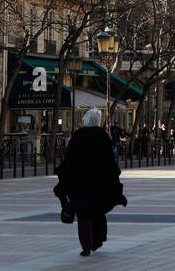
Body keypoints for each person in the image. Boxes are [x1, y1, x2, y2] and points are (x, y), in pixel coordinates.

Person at [54, 108, 127, 257]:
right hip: (97, 184)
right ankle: (96, 241)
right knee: (97, 212)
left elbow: (69, 160)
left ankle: (86, 245)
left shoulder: (77, 136)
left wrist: (65, 178)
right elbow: (109, 161)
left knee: (83, 215)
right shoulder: (102, 136)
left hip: (79, 183)